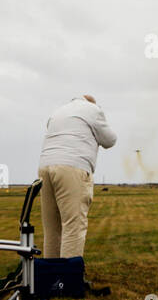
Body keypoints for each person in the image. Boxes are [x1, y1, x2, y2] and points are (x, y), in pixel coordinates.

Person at [37, 95, 116, 258]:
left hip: (45, 167)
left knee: (52, 229)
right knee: (73, 227)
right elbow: (110, 140)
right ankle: (68, 281)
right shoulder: (93, 110)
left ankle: (52, 279)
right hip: (73, 167)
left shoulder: (58, 111)